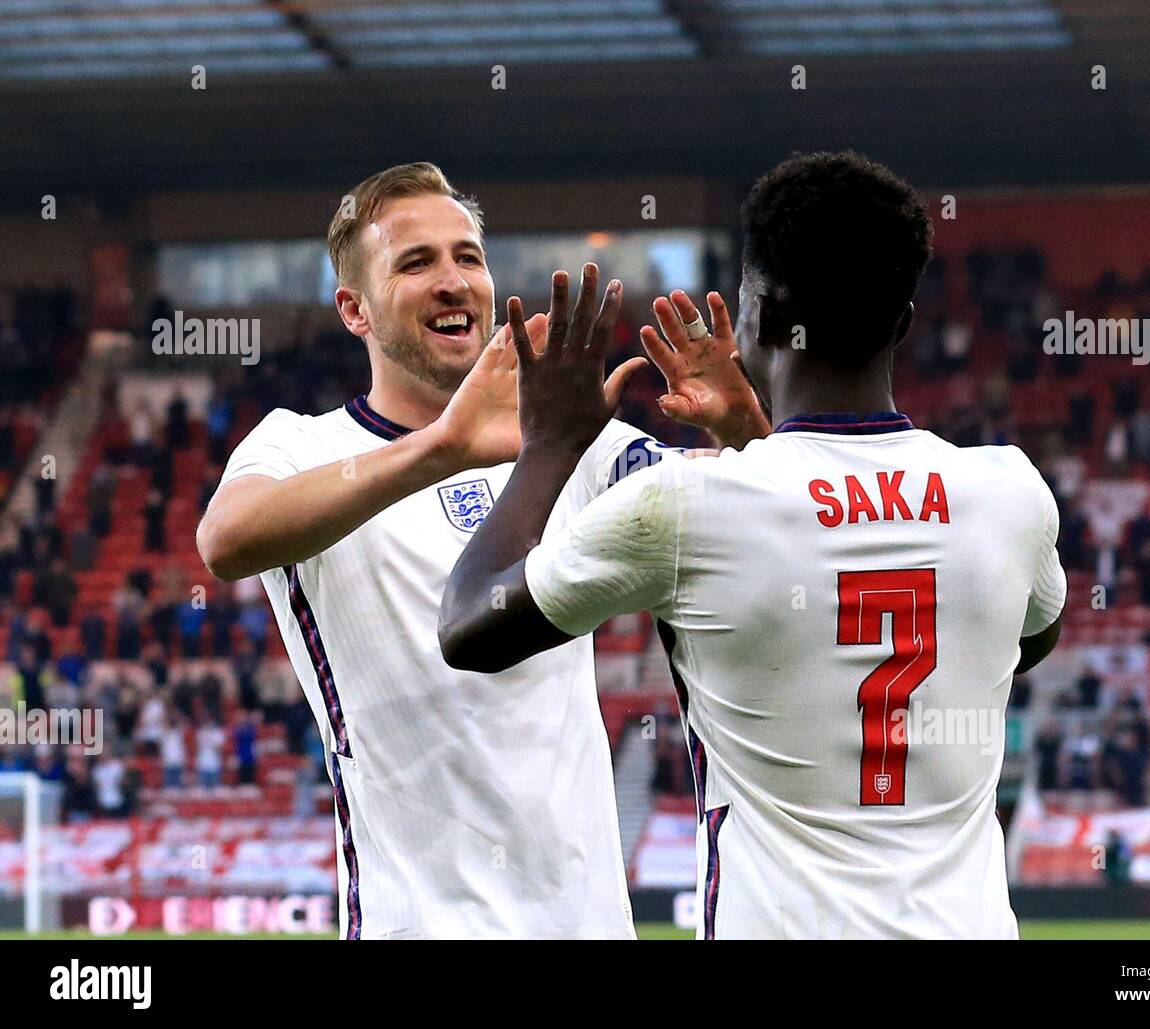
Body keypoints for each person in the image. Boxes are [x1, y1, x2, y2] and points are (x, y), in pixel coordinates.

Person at [439, 150, 1067, 939]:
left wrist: (548, 445)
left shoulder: (689, 505)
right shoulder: (1010, 491)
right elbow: (1026, 637)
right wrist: (750, 435)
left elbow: (469, 625)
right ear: (904, 322)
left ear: (758, 318)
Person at [196, 162, 764, 940]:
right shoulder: (301, 444)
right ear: (354, 309)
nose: (453, 280)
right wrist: (445, 447)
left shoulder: (570, 445)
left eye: (467, 256)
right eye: (416, 262)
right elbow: (225, 540)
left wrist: (743, 432)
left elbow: (758, 516)